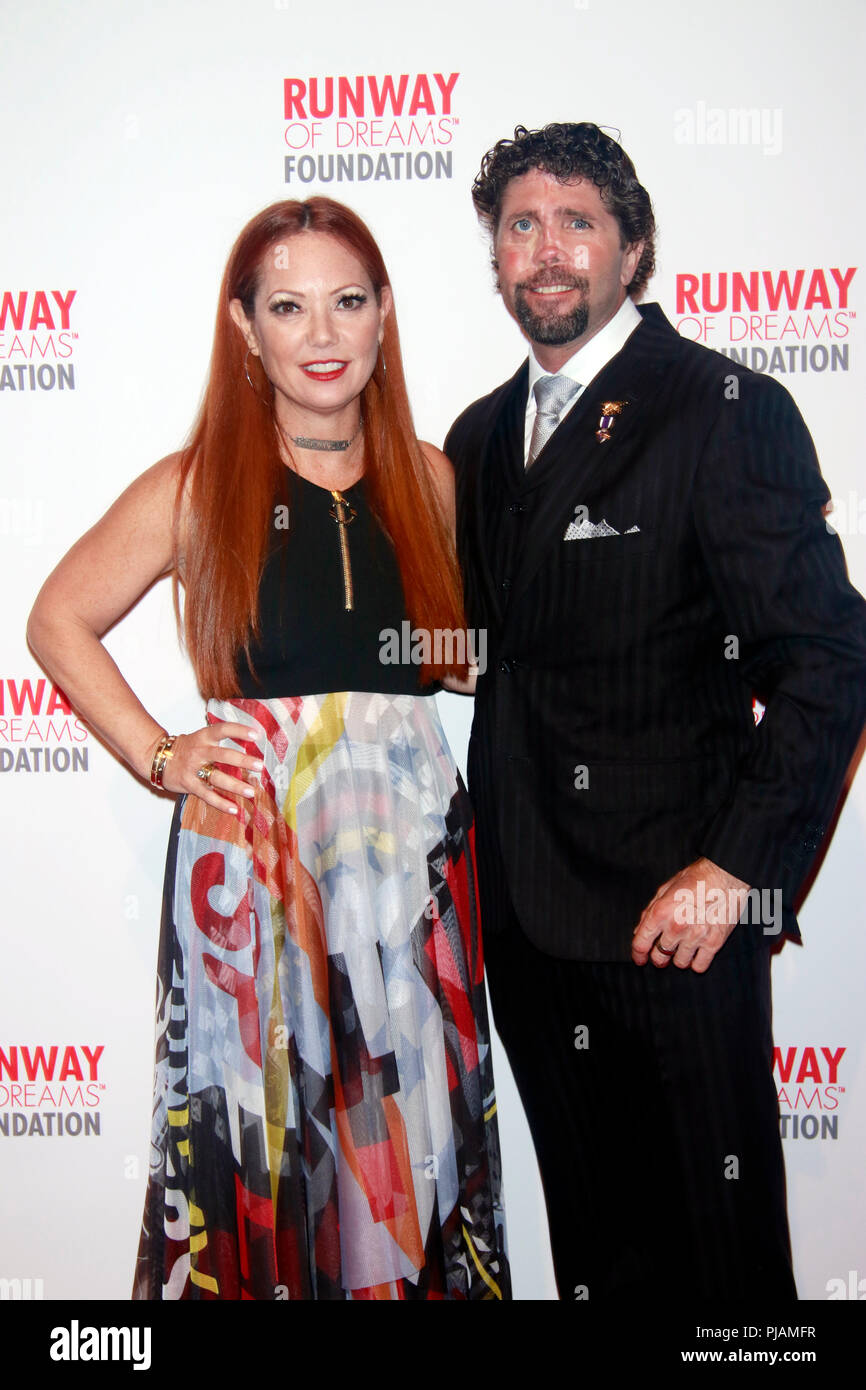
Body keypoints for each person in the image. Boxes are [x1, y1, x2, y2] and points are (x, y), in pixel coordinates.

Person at [28, 197, 509, 1301]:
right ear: (245, 329)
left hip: (407, 877)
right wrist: (162, 753)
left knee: (408, 1152)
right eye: (288, 306)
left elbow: (453, 656)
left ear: (383, 317)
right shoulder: (196, 485)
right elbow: (57, 619)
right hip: (253, 872)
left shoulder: (431, 481)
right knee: (262, 1151)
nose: (323, 331)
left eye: (347, 300)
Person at [444, 122, 866, 1301]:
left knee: (717, 1272)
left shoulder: (722, 407)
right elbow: (491, 654)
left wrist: (736, 870)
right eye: (520, 225)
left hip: (672, 925)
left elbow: (828, 655)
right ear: (495, 257)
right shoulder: (475, 439)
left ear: (631, 250)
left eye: (577, 222)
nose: (547, 252)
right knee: (597, 1257)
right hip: (523, 930)